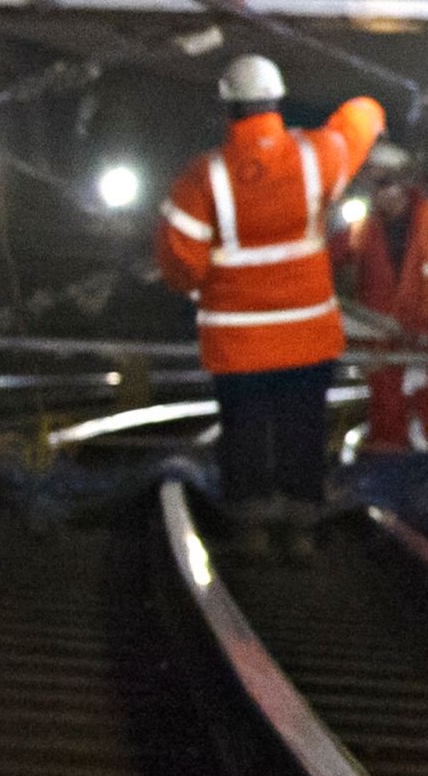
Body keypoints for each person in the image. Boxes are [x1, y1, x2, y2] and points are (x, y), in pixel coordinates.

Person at [158, 55, 381, 556]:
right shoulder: (315, 155)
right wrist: (371, 107)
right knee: (303, 427)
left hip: (237, 342)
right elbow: (360, 124)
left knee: (244, 432)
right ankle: (302, 527)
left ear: (227, 108)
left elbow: (179, 260)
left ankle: (252, 529)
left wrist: (205, 282)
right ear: (276, 101)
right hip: (308, 336)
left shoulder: (204, 177)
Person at [342, 141, 428, 460]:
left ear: (404, 183)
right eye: (372, 185)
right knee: (387, 417)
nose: (378, 193)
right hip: (382, 343)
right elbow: (323, 261)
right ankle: (387, 482)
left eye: (384, 183)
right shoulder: (362, 229)